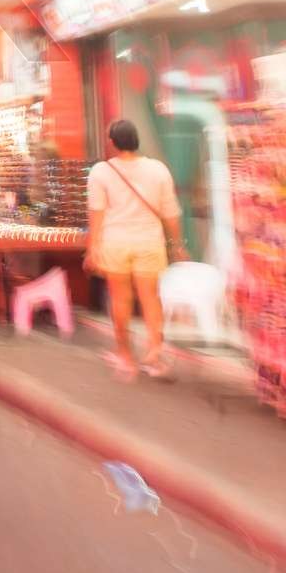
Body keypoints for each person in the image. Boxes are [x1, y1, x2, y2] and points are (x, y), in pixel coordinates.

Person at [87, 119, 187, 379]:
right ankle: (154, 353)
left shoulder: (101, 171)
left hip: (115, 242)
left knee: (121, 300)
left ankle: (125, 356)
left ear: (112, 142)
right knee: (150, 299)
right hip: (149, 242)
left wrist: (92, 249)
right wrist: (177, 245)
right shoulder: (158, 170)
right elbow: (171, 213)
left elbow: (96, 214)